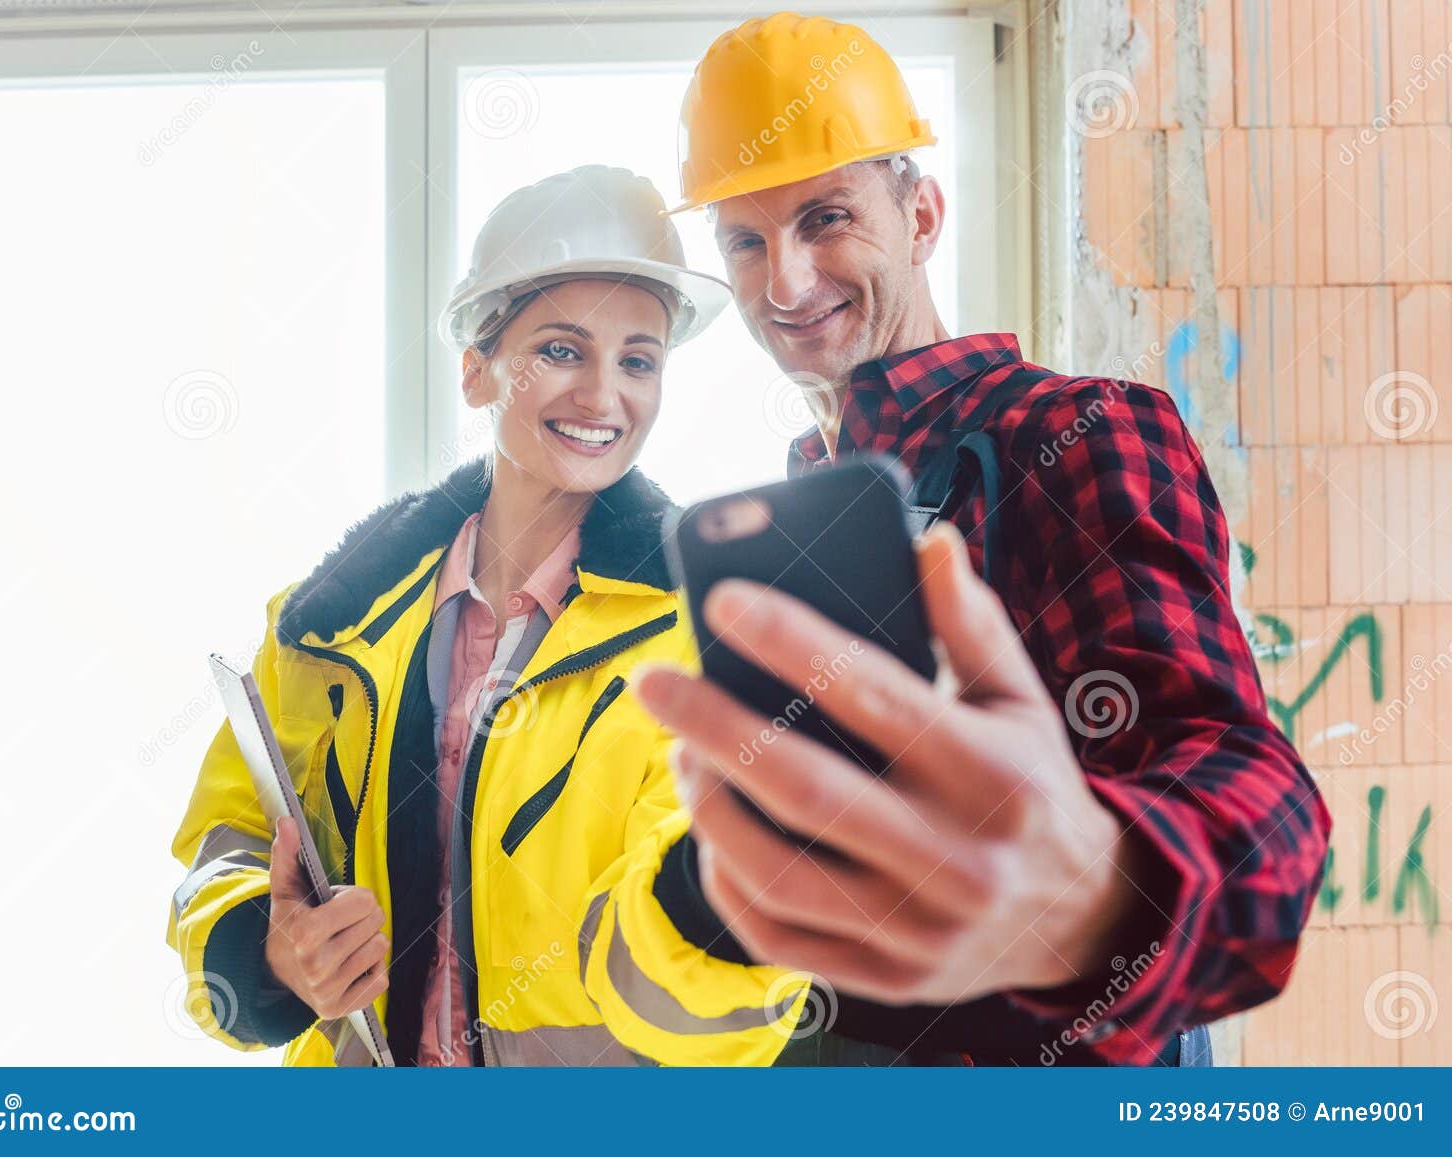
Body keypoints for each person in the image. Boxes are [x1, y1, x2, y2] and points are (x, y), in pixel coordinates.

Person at [584, 13, 1332, 1066]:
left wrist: (1088, 901)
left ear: (923, 213)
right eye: (745, 242)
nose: (785, 283)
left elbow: (1244, 786)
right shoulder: (795, 518)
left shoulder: (1072, 433)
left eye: (826, 217)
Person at [165, 166, 814, 1066]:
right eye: (559, 350)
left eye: (637, 360)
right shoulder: (328, 628)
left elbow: (722, 997)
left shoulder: (706, 640)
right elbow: (223, 844)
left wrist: (728, 898)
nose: (602, 396)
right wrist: (273, 954)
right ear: (477, 371)